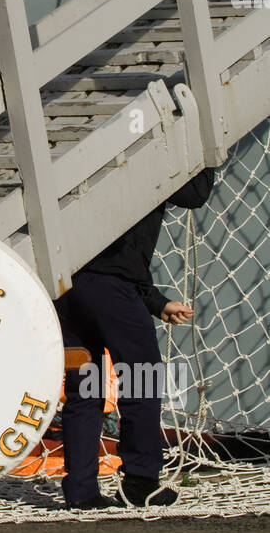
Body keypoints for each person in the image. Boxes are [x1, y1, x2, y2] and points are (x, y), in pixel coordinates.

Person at [55, 167, 215, 510]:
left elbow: (115, 258)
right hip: (111, 288)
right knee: (142, 380)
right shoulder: (153, 162)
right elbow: (194, 194)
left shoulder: (87, 167)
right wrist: (210, 152)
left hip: (67, 287)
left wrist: (157, 303)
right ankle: (141, 482)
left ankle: (80, 491)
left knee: (85, 389)